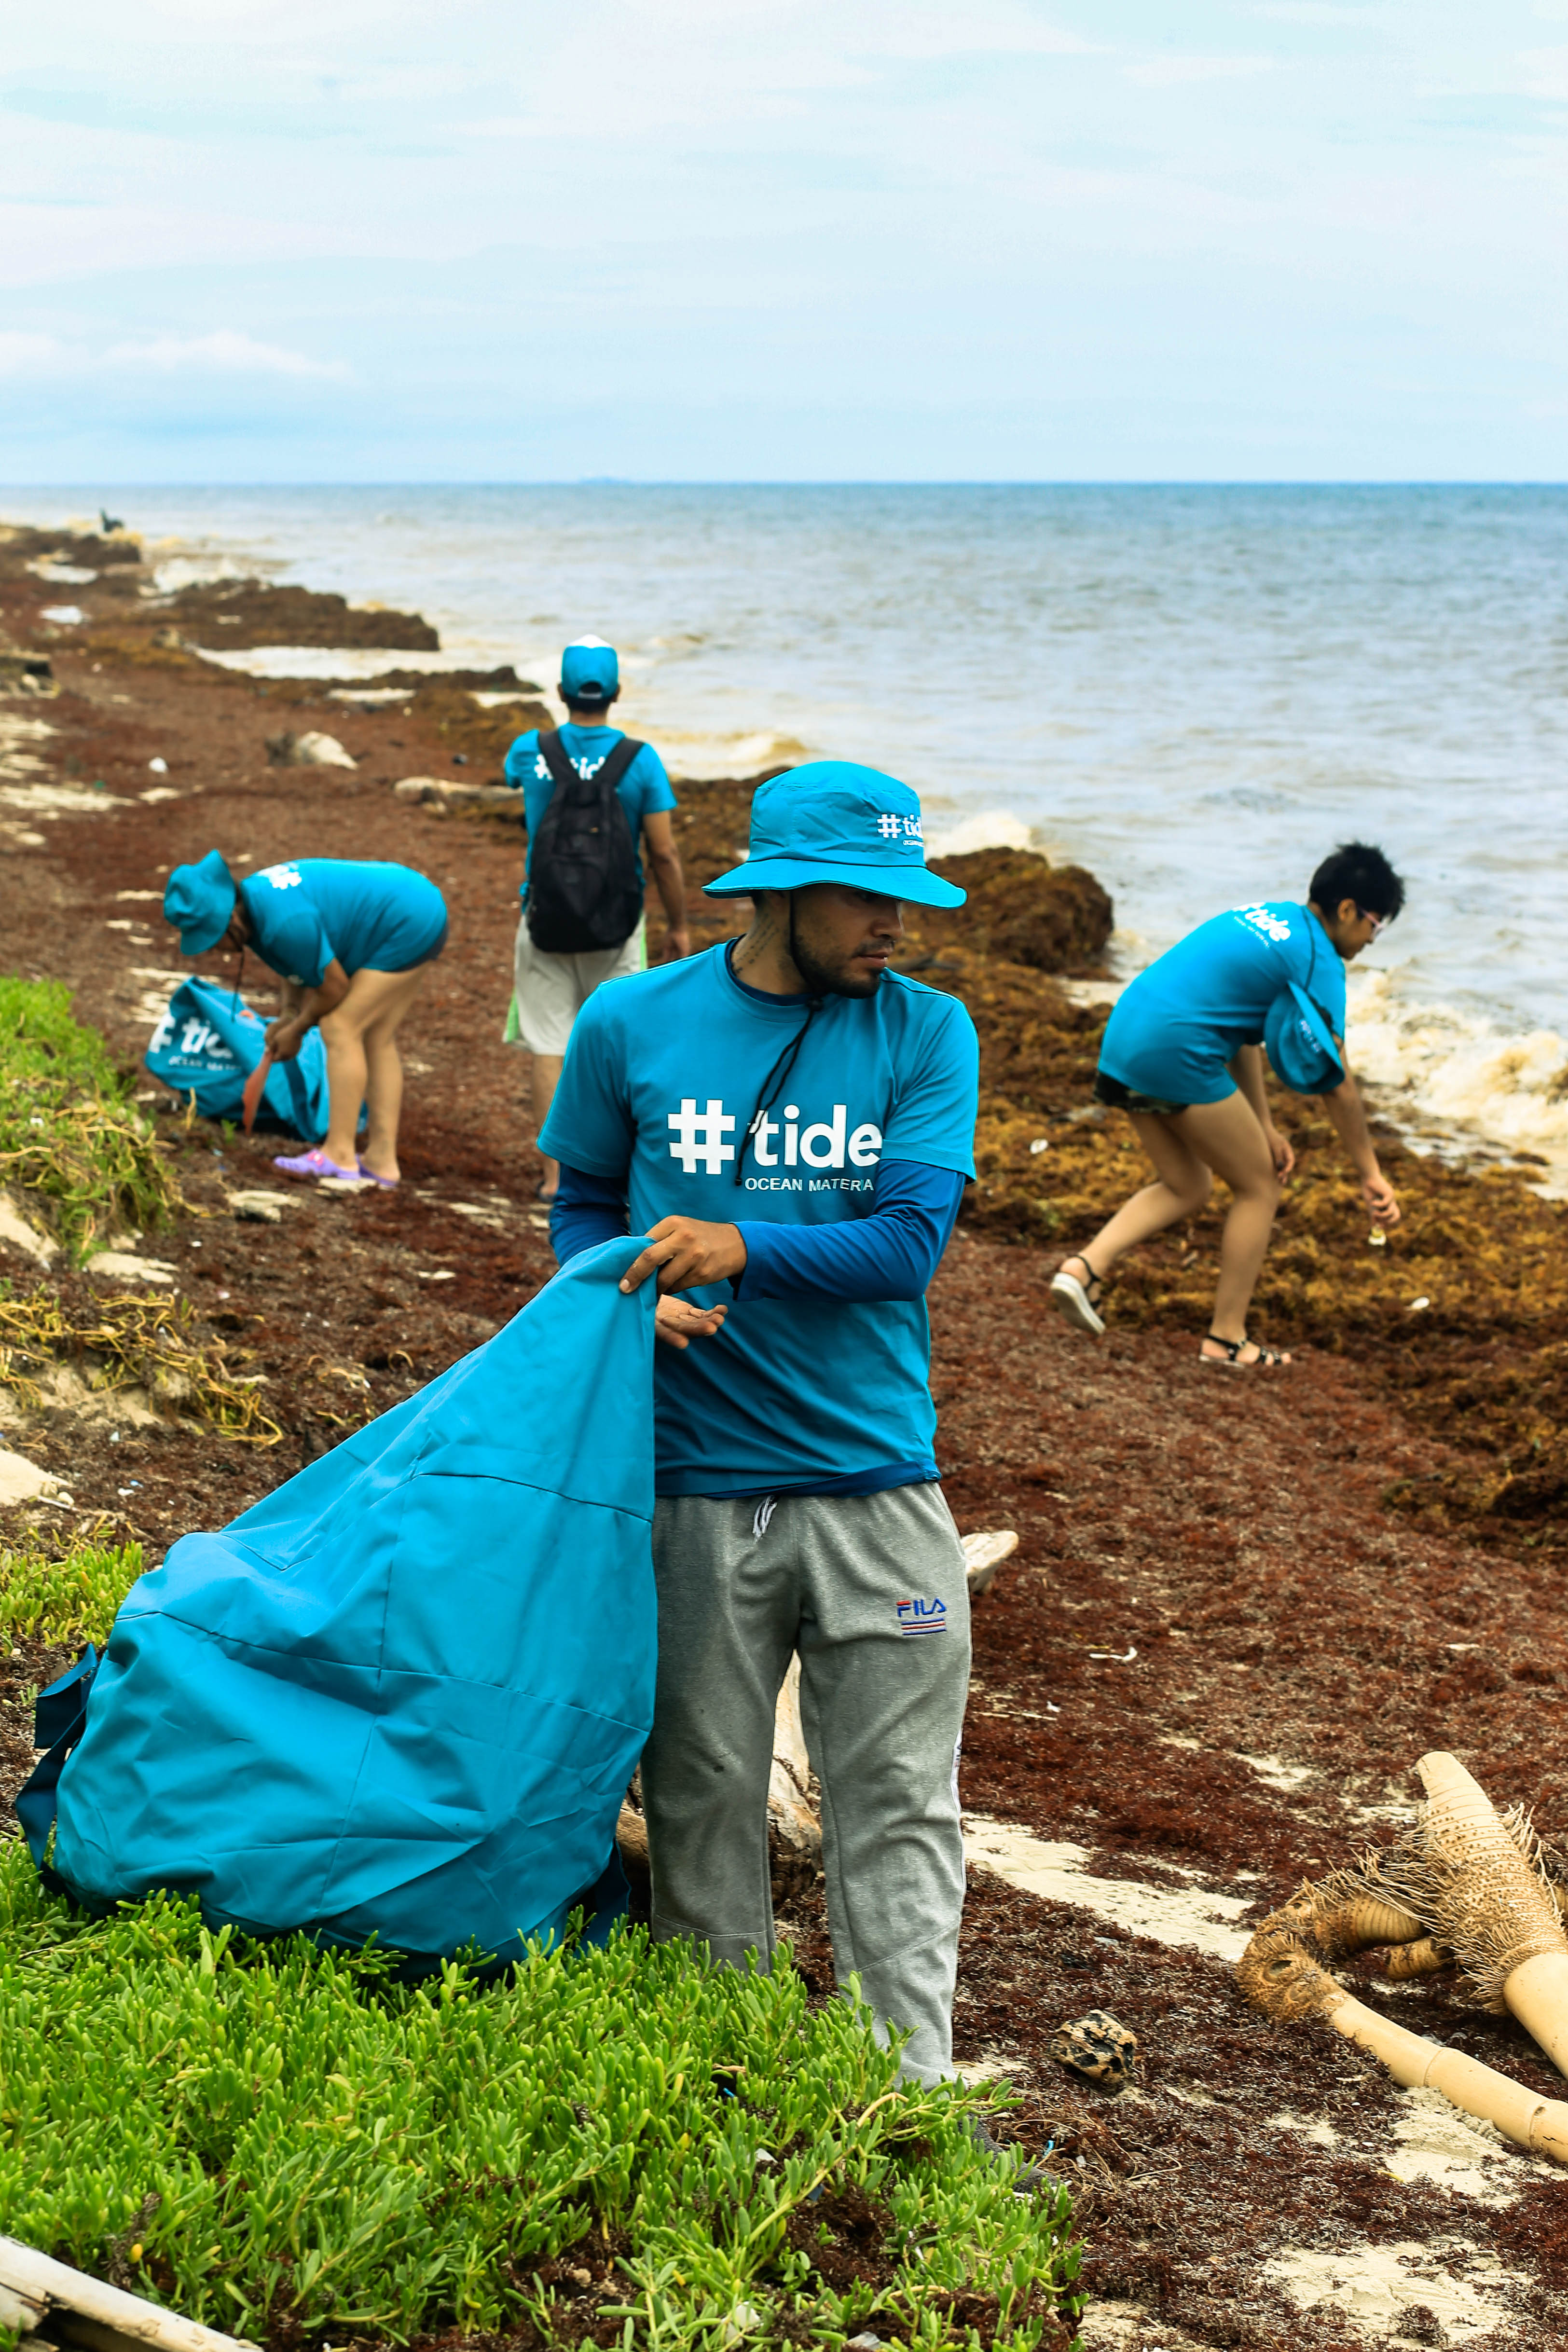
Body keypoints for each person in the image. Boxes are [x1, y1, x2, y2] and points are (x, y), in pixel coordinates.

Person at [539, 762, 983, 2094]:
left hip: (876, 1485)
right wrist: (626, 1298)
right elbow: (579, 1208)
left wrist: (739, 1244)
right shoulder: (628, 1023)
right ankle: (714, 2075)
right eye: (868, 898)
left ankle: (903, 2093)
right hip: (690, 1486)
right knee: (701, 1805)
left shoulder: (925, 1032)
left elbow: (908, 1243)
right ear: (782, 891)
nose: (895, 925)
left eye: (909, 897)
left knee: (900, 1806)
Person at [1050, 842, 1404, 1368]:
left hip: (1127, 1036)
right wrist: (1369, 1172)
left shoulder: (1271, 918)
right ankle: (1226, 1340)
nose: (1372, 940)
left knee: (1187, 1185)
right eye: (1375, 926)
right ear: (1349, 910)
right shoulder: (1319, 960)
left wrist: (1263, 1124)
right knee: (1260, 1186)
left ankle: (1082, 1269)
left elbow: (1243, 1035)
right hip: (1176, 1049)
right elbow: (1338, 1084)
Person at [504, 637, 689, 1202]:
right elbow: (662, 853)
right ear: (616, 693)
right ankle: (612, 1174)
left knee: (549, 1046)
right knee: (613, 1046)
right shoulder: (641, 760)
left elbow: (515, 781)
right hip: (617, 924)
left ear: (560, 692)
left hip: (544, 917)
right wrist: (678, 924)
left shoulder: (530, 750)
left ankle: (556, 1179)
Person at [162, 851, 448, 1188]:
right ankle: (382, 1162)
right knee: (375, 1037)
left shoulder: (282, 922)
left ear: (229, 920)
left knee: (340, 1027)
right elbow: (297, 964)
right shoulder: (257, 904)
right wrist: (288, 1014)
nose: (216, 949)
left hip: (405, 920)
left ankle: (339, 1153)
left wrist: (298, 1030)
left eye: (213, 937)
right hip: (417, 905)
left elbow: (334, 987)